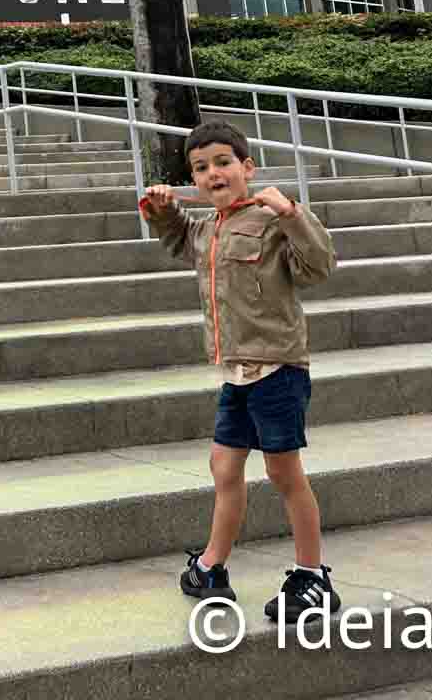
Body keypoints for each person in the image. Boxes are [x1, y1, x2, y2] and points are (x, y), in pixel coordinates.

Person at [139, 119, 340, 624]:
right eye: (200, 168)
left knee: (283, 473)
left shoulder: (270, 220)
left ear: (247, 167)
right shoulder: (207, 229)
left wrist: (291, 213)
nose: (213, 174)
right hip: (235, 375)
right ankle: (210, 567)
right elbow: (179, 238)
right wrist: (163, 209)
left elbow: (319, 266)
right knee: (224, 469)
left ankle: (312, 577)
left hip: (277, 370)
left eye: (223, 162)